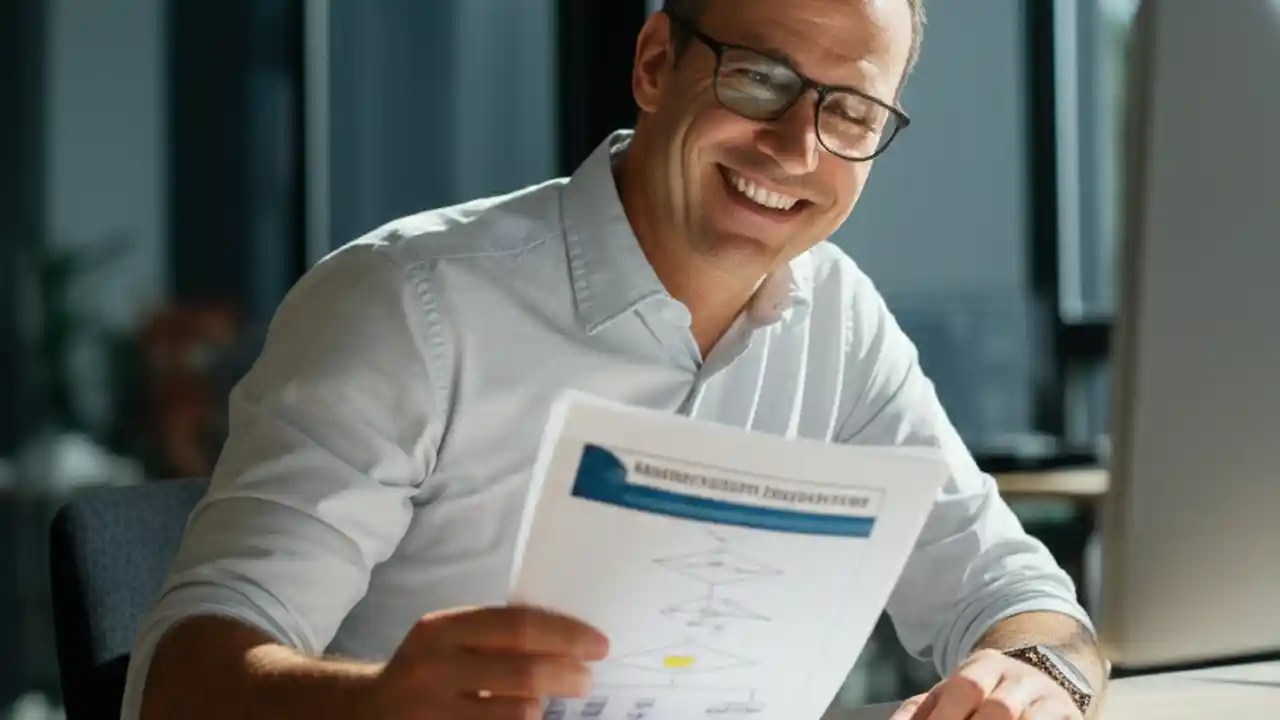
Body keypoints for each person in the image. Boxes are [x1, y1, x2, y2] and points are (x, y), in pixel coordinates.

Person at [127, 1, 1108, 718]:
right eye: (758, 78)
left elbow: (1017, 599)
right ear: (652, 62)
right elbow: (177, 680)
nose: (791, 147)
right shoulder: (406, 304)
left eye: (847, 112)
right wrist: (377, 705)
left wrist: (1036, 681)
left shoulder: (838, 319)